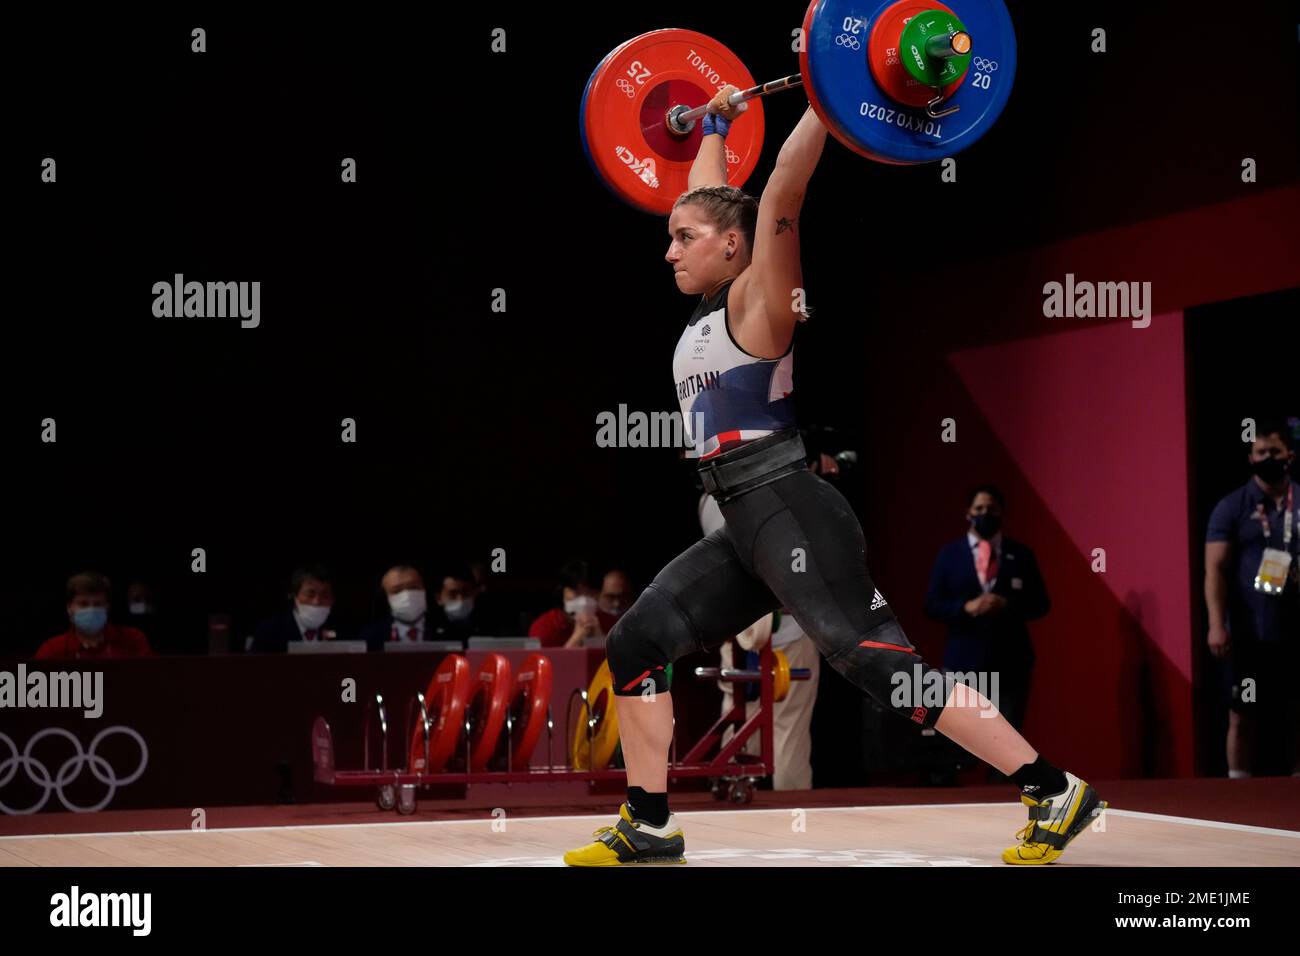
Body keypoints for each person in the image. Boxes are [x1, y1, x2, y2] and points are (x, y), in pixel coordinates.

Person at [564, 88, 1105, 866]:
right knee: (638, 643)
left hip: (788, 505)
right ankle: (649, 822)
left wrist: (827, 91)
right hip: (741, 520)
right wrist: (712, 126)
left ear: (731, 245)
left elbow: (781, 187)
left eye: (683, 238)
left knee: (875, 663)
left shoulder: (762, 301)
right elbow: (715, 199)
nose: (669, 250)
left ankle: (1052, 789)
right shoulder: (714, 297)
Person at [1205, 419, 1300, 777]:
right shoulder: (1232, 507)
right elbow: (1213, 569)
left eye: (1274, 451)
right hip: (1249, 633)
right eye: (1260, 452)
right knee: (1241, 712)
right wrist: (1216, 624)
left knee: (1297, 712)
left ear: (1288, 455)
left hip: (1294, 629)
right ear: (1250, 457)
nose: (1267, 458)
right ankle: (1237, 787)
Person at [924, 485, 1050, 734]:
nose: (985, 513)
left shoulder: (1021, 555)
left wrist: (1007, 605)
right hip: (963, 662)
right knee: (954, 741)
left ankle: (1000, 776)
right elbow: (932, 604)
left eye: (991, 509)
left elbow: (1041, 604)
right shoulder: (949, 555)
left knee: (1007, 745)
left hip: (1010, 664)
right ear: (968, 513)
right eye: (979, 508)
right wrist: (965, 607)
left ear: (1002, 513)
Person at [34, 571, 154, 659]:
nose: (91, 609)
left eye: (98, 604)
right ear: (69, 608)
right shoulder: (52, 649)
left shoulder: (134, 640)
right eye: (83, 604)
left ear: (107, 607)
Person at [250, 565, 345, 652]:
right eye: (310, 594)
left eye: (325, 595)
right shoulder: (270, 631)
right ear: (295, 596)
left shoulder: (342, 631)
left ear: (333, 599)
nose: (317, 602)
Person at [528, 560, 620, 648]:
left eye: (591, 593)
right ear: (562, 592)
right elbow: (545, 663)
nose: (584, 600)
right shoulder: (544, 627)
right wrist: (576, 638)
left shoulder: (612, 624)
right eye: (576, 592)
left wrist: (600, 639)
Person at [358, 564, 431, 651]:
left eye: (413, 587)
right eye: (397, 591)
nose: (407, 595)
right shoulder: (369, 638)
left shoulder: (449, 632)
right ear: (386, 598)